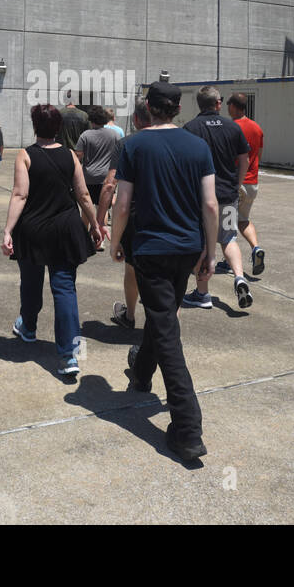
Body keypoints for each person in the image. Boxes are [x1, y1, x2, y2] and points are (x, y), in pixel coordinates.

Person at [110, 81, 216, 463]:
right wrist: (210, 250)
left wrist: (114, 240)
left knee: (168, 331)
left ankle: (187, 428)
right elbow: (210, 204)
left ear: (149, 109)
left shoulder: (135, 145)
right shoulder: (197, 145)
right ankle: (140, 374)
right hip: (187, 248)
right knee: (163, 315)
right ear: (176, 108)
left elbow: (122, 205)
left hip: (152, 250)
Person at [2, 104, 103, 378]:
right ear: (58, 128)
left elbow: (20, 195)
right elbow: (83, 196)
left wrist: (8, 230)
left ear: (35, 127)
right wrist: (95, 224)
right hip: (66, 229)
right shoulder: (71, 155)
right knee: (65, 289)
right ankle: (69, 356)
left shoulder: (25, 155)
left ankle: (29, 327)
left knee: (31, 282)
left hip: (33, 230)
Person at [182, 86, 253, 309]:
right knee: (228, 237)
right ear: (218, 103)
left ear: (199, 104)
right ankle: (239, 277)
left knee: (204, 242)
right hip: (228, 194)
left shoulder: (190, 128)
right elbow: (245, 159)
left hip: (201, 197)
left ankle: (202, 293)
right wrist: (237, 184)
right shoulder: (233, 127)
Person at [98, 98, 151, 329]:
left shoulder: (127, 143)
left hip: (136, 215)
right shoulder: (183, 141)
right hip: (172, 215)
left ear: (136, 119)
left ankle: (129, 315)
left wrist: (100, 220)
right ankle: (165, 324)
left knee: (132, 266)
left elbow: (111, 184)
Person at [226, 92, 265, 275]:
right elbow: (259, 155)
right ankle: (256, 248)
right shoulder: (257, 128)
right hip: (252, 183)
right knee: (243, 220)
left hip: (235, 181)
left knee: (227, 225)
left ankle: (229, 262)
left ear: (233, 106)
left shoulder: (232, 128)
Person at [76, 106, 122, 211]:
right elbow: (120, 154)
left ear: (91, 120)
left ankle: (88, 228)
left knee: (87, 208)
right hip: (107, 177)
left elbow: (78, 155)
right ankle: (102, 227)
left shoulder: (85, 135)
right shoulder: (115, 134)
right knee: (103, 209)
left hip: (89, 177)